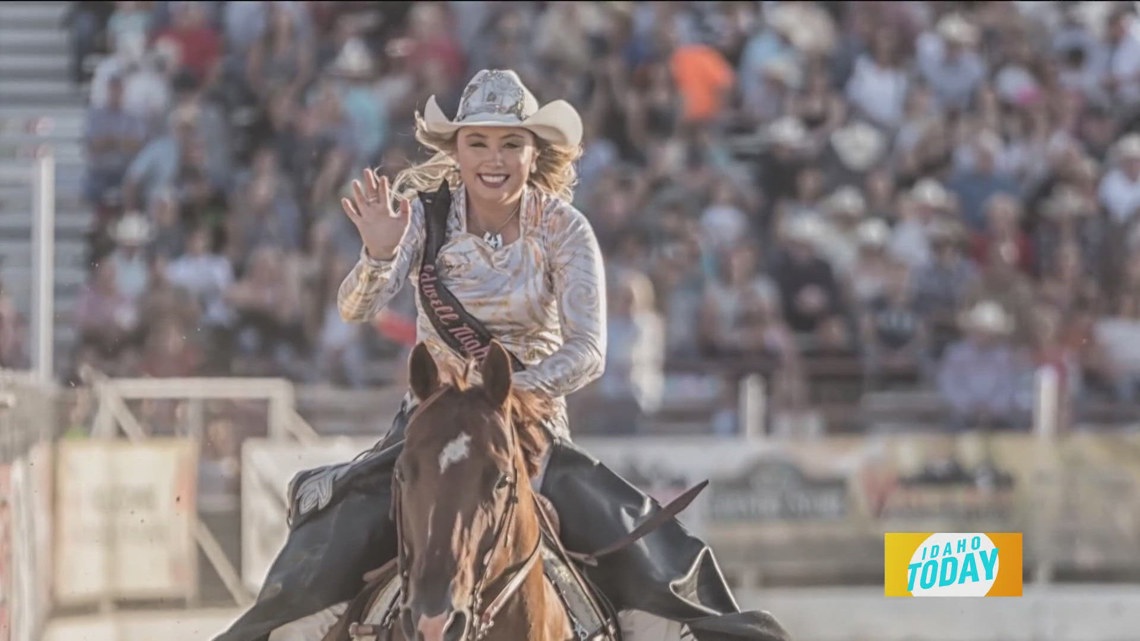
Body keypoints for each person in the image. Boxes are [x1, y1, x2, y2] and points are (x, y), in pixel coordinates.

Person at [213, 70, 789, 641]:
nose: (495, 158)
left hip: (533, 436)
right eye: (479, 142)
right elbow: (354, 309)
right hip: (429, 429)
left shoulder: (565, 228)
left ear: (533, 151)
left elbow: (589, 352)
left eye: (511, 143)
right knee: (324, 546)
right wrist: (378, 254)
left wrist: (512, 393)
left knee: (650, 555)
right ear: (456, 151)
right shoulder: (421, 216)